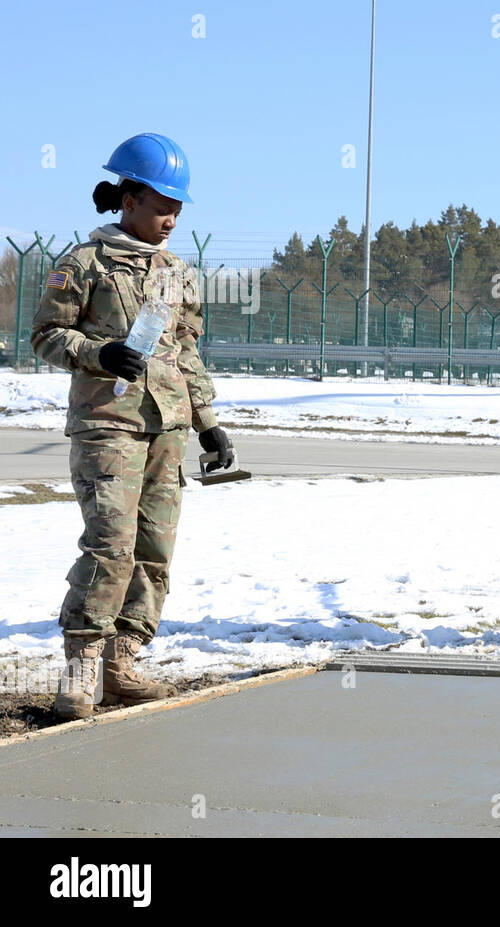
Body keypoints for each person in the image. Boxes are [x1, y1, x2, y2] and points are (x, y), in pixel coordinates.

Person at [31, 132, 236, 719]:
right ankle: (80, 669)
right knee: (109, 545)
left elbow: (187, 352)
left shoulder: (177, 273)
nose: (171, 218)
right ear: (130, 199)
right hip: (107, 425)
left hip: (166, 428)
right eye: (162, 205)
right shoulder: (83, 262)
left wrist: (208, 425)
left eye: (178, 207)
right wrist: (102, 354)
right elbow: (46, 335)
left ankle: (123, 663)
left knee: (153, 551)